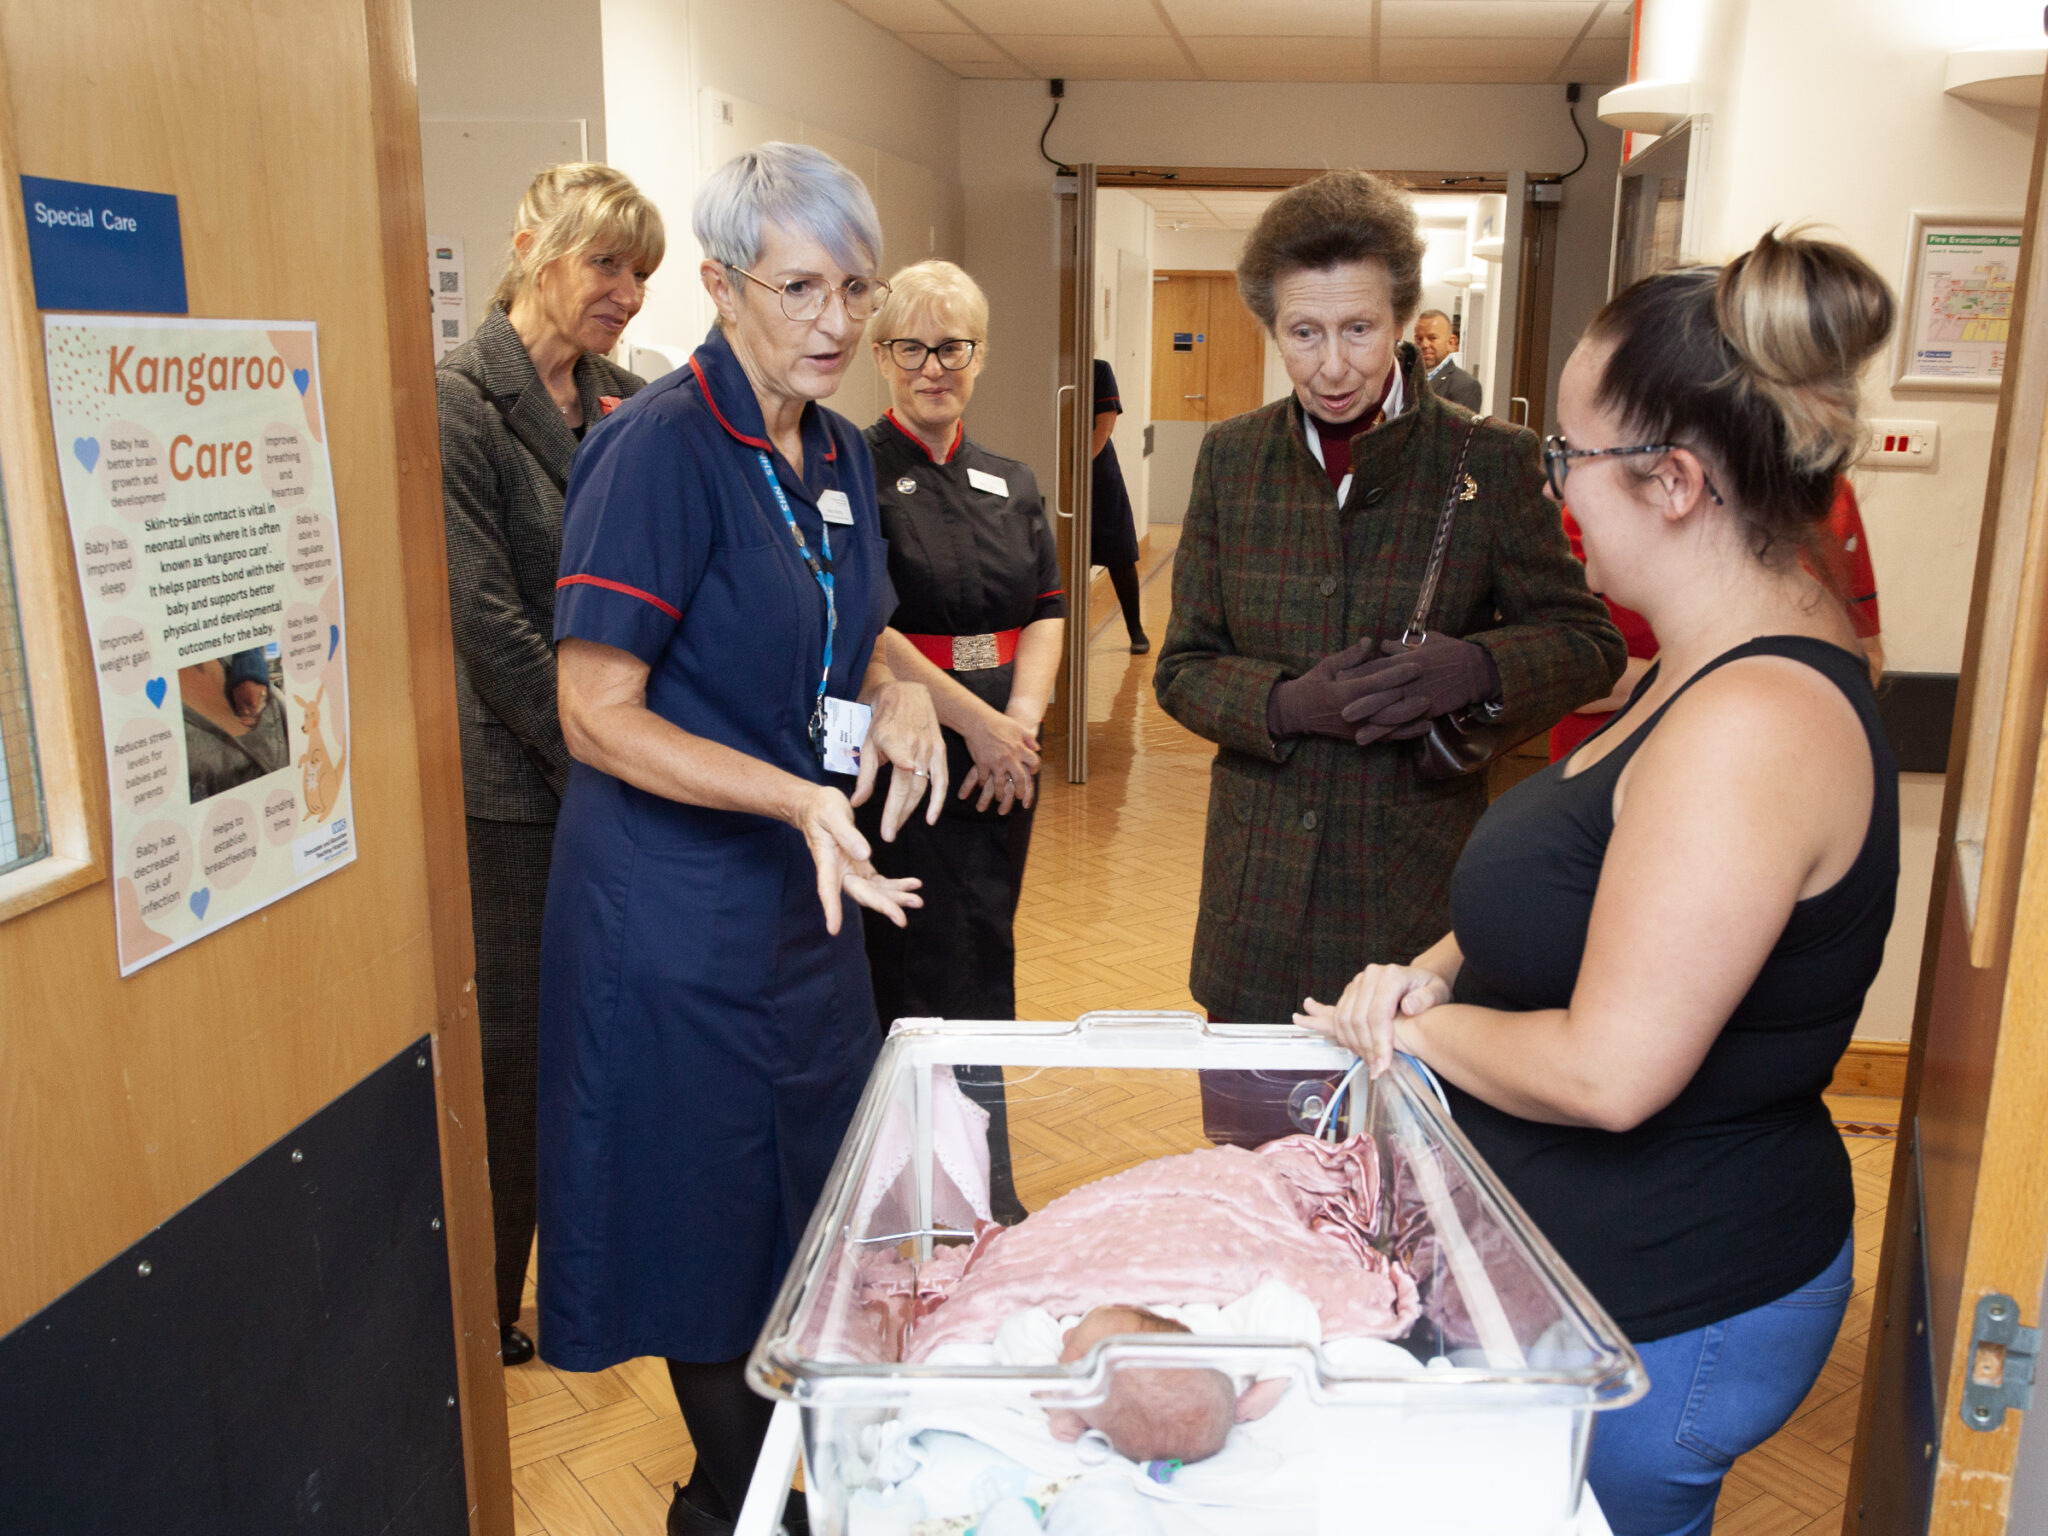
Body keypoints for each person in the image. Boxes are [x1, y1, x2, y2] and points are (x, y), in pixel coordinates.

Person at [1300, 229, 1902, 1536]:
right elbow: (1585, 901)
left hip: (1668, 1302)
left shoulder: (1754, 724)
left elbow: (1611, 1071)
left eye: (1570, 457)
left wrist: (1411, 1030)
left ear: (1677, 480)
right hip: (1587, 1262)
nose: (1558, 493)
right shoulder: (1697, 662)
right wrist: (1437, 967)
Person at [537, 143, 948, 1536]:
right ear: (718, 286)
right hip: (672, 924)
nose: (838, 322)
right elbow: (595, 711)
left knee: (808, 1224)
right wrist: (789, 795)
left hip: (802, 908)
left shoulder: (830, 447)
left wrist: (895, 696)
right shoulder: (654, 449)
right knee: (705, 1235)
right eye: (801, 288)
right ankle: (734, 1506)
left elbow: (843, 626)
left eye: (856, 288)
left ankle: (783, 1491)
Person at [1153, 169, 1622, 1039]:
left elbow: (1589, 643)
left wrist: (1478, 667)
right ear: (1274, 330)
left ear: (1404, 320)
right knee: (1251, 1165)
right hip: (1255, 905)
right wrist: (1285, 704)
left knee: (1401, 1169)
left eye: (1360, 329)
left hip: (1413, 905)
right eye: (1304, 333)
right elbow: (1182, 670)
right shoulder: (1230, 459)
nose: (1333, 365)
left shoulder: (1490, 458)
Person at [435, 162, 661, 1368]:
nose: (626, 292)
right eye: (604, 265)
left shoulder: (634, 397)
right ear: (532, 248)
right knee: (514, 1064)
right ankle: (483, 1312)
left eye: (641, 272)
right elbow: (488, 624)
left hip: (628, 779)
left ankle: (595, 1277)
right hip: (526, 797)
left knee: (612, 1045)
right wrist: (611, 756)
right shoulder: (460, 403)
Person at [859, 260, 1065, 1223]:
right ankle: (915, 1197)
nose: (933, 367)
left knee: (986, 957)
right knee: (919, 971)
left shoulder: (1011, 479)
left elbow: (1052, 609)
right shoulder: (849, 471)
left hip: (1003, 765)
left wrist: (1020, 724)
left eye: (953, 347)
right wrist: (974, 723)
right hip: (913, 758)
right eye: (912, 347)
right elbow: (865, 624)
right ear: (881, 354)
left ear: (979, 356)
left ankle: (985, 1185)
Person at [1550, 476, 1885, 761]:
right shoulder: (1604, 504)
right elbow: (1564, 677)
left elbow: (1864, 661)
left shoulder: (1827, 492)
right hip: (1610, 760)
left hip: (1768, 766)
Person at [1092, 358, 1150, 653]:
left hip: (1099, 473)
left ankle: (1136, 630)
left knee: (1120, 555)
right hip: (1062, 472)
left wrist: (1081, 460)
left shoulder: (1099, 370)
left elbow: (1105, 423)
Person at [1413, 308, 1481, 410]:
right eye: (1419, 339)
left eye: (1432, 338)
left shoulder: (1465, 385)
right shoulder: (1407, 379)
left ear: (1451, 342)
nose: (1424, 344)